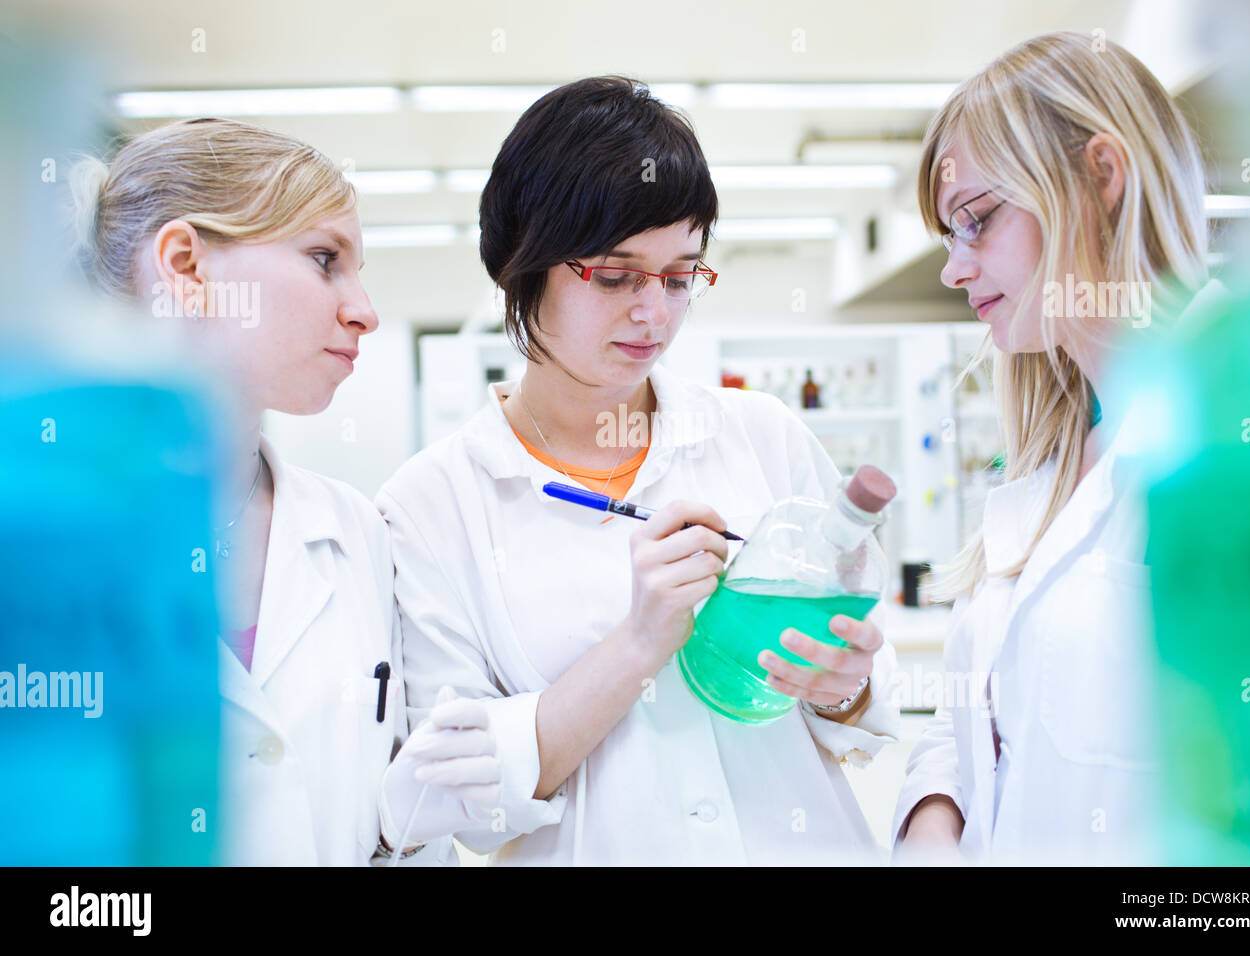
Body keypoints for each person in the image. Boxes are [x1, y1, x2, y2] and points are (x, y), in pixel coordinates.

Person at [377, 76, 901, 866]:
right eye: (616, 276)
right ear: (520, 266)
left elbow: (861, 693)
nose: (654, 312)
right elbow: (465, 807)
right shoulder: (430, 505)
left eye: (681, 276)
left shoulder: (761, 436)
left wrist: (844, 682)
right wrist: (636, 645)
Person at [70, 118, 493, 865]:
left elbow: (405, 825)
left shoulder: (354, 530)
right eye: (325, 259)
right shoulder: (42, 538)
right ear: (185, 266)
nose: (364, 309)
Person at [891, 32, 1225, 865]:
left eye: (977, 221)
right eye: (947, 236)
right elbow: (989, 724)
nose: (954, 270)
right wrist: (933, 820)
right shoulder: (1055, 456)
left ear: (1101, 177)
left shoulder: (1239, 434)